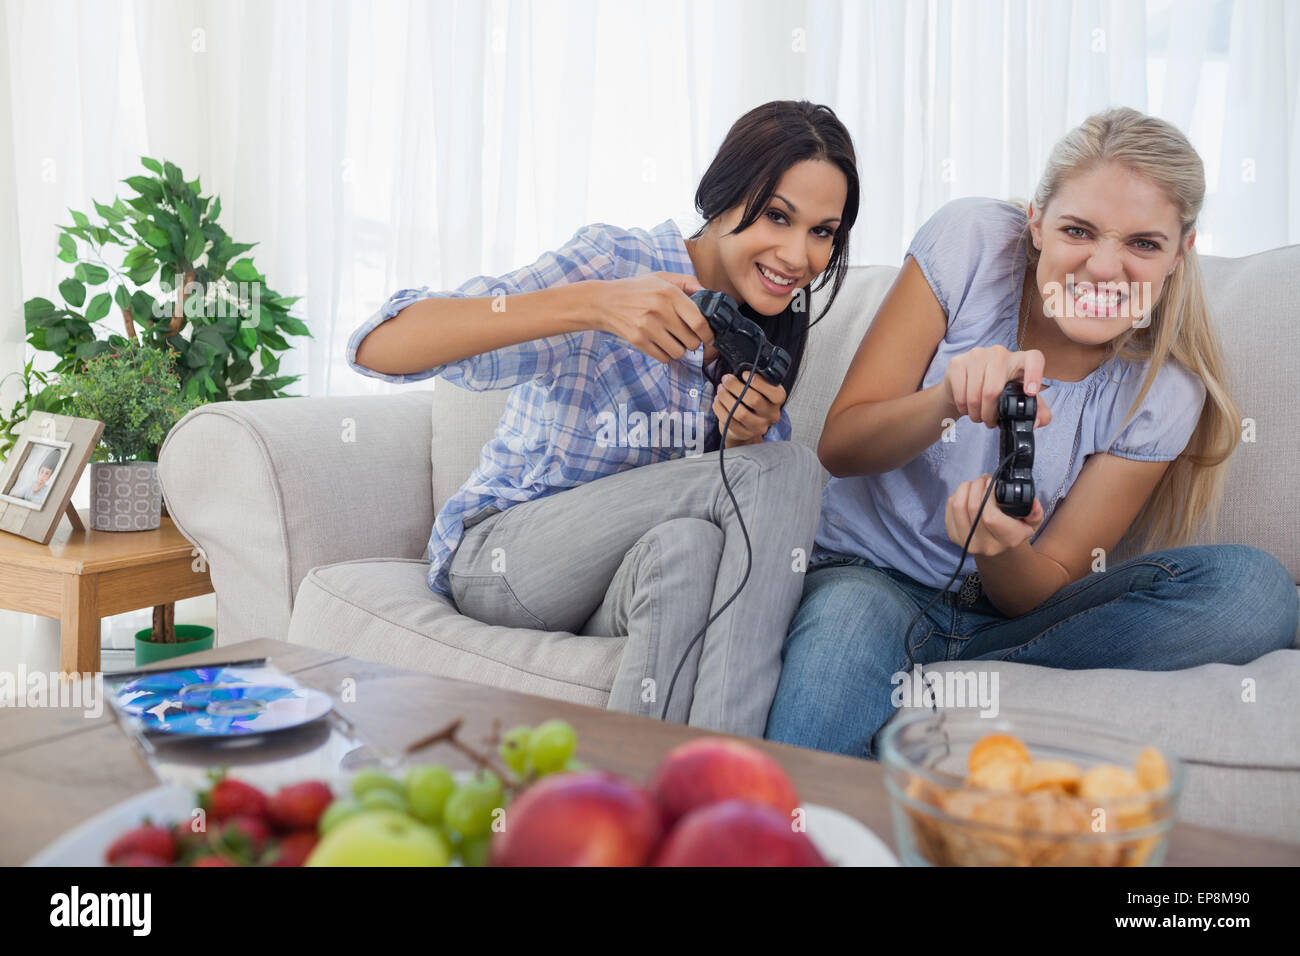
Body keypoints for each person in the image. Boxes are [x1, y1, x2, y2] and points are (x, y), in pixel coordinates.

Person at [765, 107, 1299, 758]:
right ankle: (880, 662)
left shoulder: (1164, 393)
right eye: (1079, 230)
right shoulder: (972, 242)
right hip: (866, 579)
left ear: (1180, 252)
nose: (1105, 269)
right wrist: (947, 403)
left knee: (1255, 592)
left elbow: (1042, 588)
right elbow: (840, 446)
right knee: (813, 741)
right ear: (1037, 223)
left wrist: (997, 548)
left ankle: (927, 666)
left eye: (1143, 243)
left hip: (1010, 620)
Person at [348, 100, 860, 737]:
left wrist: (735, 441)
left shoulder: (767, 336)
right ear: (725, 194)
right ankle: (733, 778)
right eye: (779, 216)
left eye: (823, 231)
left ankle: (641, 798)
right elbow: (378, 343)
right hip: (502, 557)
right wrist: (592, 306)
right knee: (787, 469)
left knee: (690, 549)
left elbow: (728, 546)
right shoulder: (618, 264)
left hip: (614, 582)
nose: (797, 254)